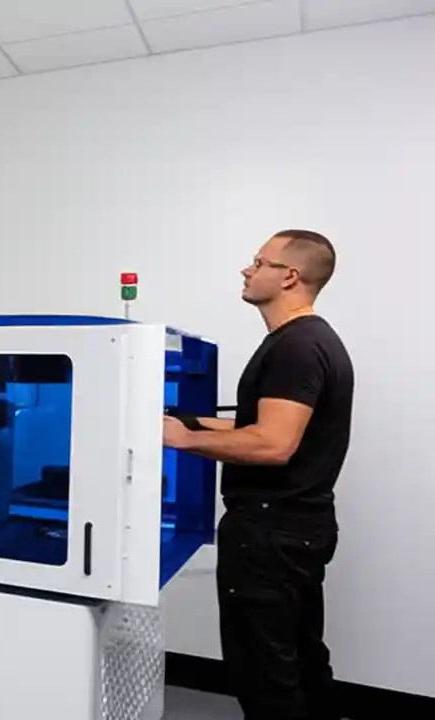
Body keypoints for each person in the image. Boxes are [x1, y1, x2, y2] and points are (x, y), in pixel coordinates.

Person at [163, 230, 353, 720]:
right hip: (296, 528)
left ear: (290, 276)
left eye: (258, 262)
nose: (247, 270)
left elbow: (273, 444)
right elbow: (261, 426)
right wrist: (183, 420)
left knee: (264, 671)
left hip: (269, 533)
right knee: (301, 657)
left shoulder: (296, 346)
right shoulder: (308, 341)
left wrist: (185, 441)